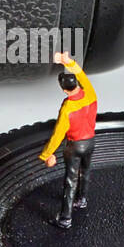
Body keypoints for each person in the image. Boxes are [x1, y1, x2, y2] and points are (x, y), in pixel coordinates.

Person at [39, 50, 98, 229]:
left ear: (65, 90)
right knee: (85, 171)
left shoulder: (67, 108)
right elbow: (82, 75)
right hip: (91, 142)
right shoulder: (90, 94)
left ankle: (65, 218)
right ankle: (82, 199)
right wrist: (69, 62)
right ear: (77, 84)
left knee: (70, 181)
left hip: (74, 146)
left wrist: (46, 155)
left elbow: (58, 134)